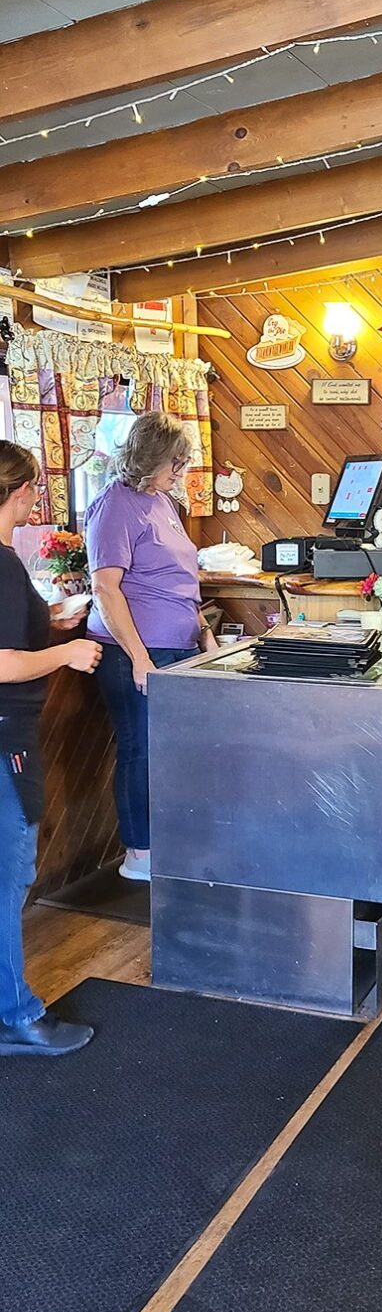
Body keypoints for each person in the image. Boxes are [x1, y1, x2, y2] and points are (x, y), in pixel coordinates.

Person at [0, 441, 101, 1057]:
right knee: (10, 880)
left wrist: (52, 625)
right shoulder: (3, 565)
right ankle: (18, 1016)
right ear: (12, 492)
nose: (38, 499)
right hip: (5, 739)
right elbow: (3, 661)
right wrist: (65, 652)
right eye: (33, 489)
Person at [85, 413, 217, 883]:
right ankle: (139, 853)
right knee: (140, 748)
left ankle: (171, 842)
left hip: (177, 645)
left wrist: (202, 629)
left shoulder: (161, 501)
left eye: (183, 464)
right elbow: (105, 588)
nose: (180, 473)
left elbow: (176, 577)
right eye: (174, 463)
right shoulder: (115, 505)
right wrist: (140, 658)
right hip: (134, 653)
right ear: (149, 458)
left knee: (173, 750)